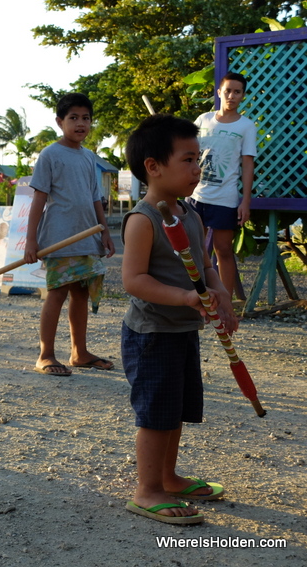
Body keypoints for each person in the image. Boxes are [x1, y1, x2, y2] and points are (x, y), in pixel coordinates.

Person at [122, 114, 238, 524]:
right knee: (156, 415)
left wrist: (220, 295)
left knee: (174, 411)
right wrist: (187, 297)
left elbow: (206, 266)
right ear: (153, 167)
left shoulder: (190, 214)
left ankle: (168, 478)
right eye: (188, 160)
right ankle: (146, 490)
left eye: (198, 160)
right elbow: (134, 280)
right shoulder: (143, 219)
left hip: (184, 329)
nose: (197, 169)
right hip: (152, 334)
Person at [23, 93, 115, 376]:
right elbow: (39, 199)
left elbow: (95, 198)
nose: (80, 124)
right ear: (59, 121)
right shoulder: (50, 154)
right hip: (59, 237)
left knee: (81, 292)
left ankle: (79, 352)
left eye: (85, 118)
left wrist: (105, 231)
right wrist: (31, 239)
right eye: (73, 118)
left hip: (88, 235)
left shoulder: (89, 158)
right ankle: (45, 354)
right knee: (58, 293)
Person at [186, 72, 257, 298]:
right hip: (196, 195)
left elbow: (247, 165)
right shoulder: (203, 120)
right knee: (193, 251)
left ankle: (225, 302)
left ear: (243, 96)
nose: (231, 96)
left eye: (237, 92)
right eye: (227, 91)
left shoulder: (246, 126)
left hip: (225, 198)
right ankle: (194, 297)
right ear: (219, 92)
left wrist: (245, 201)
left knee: (223, 251)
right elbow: (188, 154)